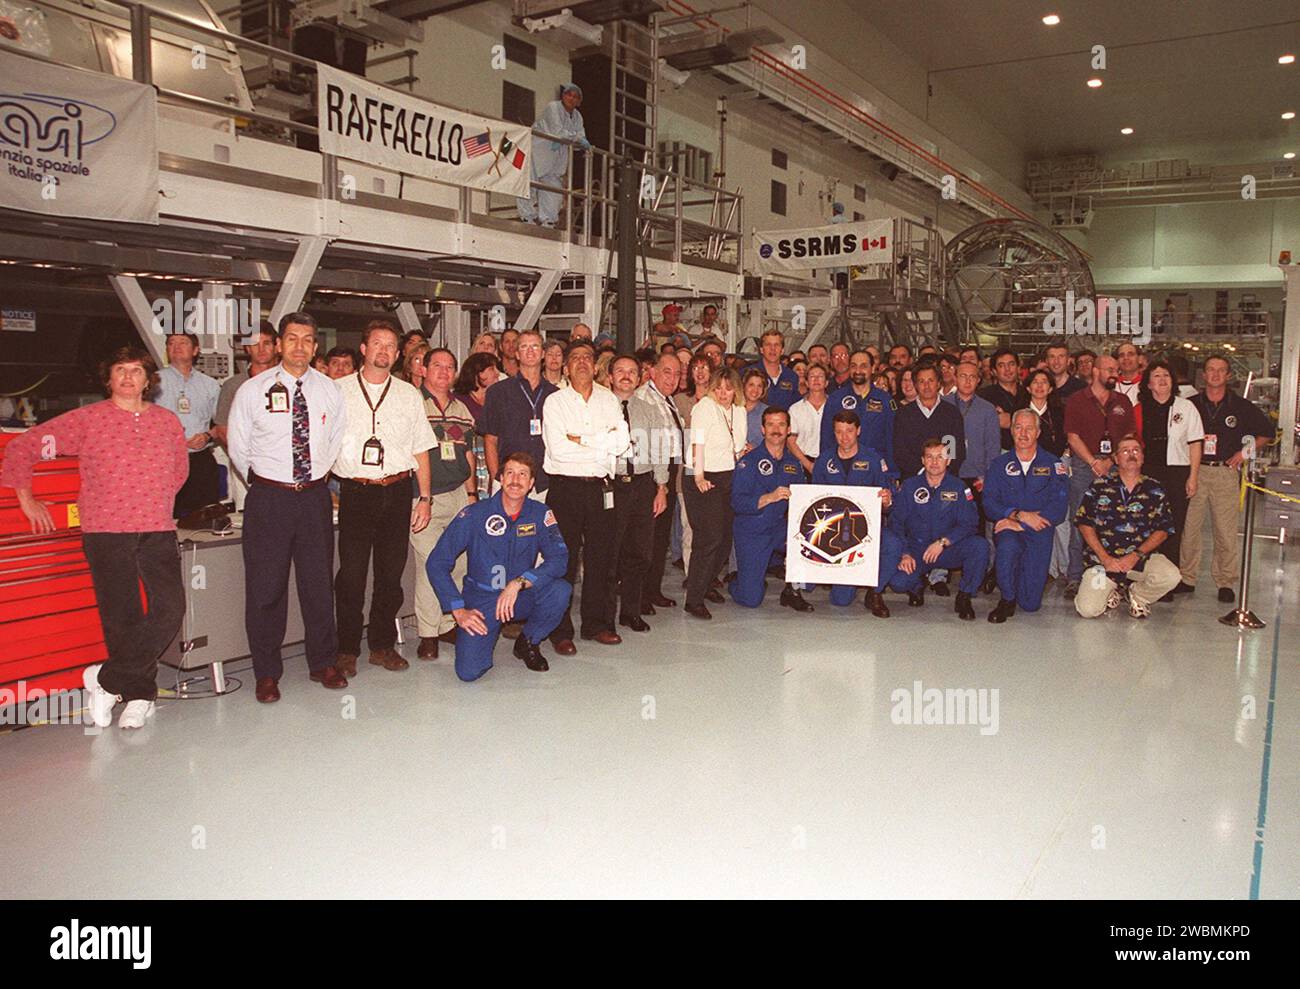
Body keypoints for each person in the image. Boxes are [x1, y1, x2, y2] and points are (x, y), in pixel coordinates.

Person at [4, 345, 188, 730]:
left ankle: (105, 680)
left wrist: (151, 499)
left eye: (136, 370)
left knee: (170, 609)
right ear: (109, 378)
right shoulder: (87, 420)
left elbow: (178, 471)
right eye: (120, 370)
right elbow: (24, 446)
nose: (127, 377)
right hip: (106, 531)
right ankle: (139, 695)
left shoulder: (167, 422)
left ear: (147, 378)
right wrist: (25, 497)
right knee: (122, 618)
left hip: (156, 528)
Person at [227, 312, 348, 703]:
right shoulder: (253, 390)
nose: (299, 346)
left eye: (307, 339)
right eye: (291, 338)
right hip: (269, 498)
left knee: (317, 585)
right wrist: (265, 483)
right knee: (266, 589)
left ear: (316, 347)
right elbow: (238, 446)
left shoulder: (329, 390)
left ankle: (323, 662)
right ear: (279, 344)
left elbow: (333, 441)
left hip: (313, 497)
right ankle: (266, 672)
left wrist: (312, 479)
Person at [331, 319, 436, 677]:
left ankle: (381, 645)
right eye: (377, 344)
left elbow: (421, 449)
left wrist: (424, 497)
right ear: (364, 348)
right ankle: (346, 649)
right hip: (356, 491)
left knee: (390, 576)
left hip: (397, 490)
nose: (384, 351)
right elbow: (322, 445)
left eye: (391, 346)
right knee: (351, 576)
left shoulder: (408, 394)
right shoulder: (338, 391)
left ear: (398, 353)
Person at [426, 453, 570, 679]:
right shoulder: (474, 514)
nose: (516, 480)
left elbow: (559, 560)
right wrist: (458, 609)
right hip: (484, 599)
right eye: (510, 473)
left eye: (523, 475)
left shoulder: (541, 514)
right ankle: (484, 637)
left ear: (531, 484)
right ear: (500, 478)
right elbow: (437, 562)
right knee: (468, 672)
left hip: (520, 595)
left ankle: (528, 641)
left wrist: (519, 583)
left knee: (560, 590)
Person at [541, 340, 630, 652]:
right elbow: (559, 450)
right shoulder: (555, 402)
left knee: (602, 560)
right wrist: (600, 442)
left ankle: (597, 624)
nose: (581, 362)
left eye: (587, 358)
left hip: (602, 487)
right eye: (574, 358)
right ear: (565, 367)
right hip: (565, 488)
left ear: (595, 366)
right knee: (563, 561)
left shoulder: (609, 400)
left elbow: (621, 444)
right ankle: (559, 629)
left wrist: (581, 439)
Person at [1181, 355, 1273, 602]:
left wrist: (1243, 453)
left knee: (1225, 531)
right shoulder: (1190, 405)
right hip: (1196, 471)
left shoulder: (1241, 407)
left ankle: (1225, 581)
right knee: (1190, 528)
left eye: (1220, 370)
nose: (1215, 374)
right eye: (1210, 370)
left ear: (1229, 375)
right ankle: (1187, 577)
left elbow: (1266, 433)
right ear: (1203, 374)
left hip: (1225, 472)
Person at [408, 347, 479, 660]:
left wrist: (473, 495)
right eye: (437, 365)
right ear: (423, 369)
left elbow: (467, 455)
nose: (444, 372)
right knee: (432, 563)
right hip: (423, 497)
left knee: (460, 563)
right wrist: (421, 497)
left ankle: (448, 623)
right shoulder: (412, 403)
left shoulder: (462, 409)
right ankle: (427, 634)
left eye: (450, 367)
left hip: (458, 496)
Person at [1074, 435, 1182, 619]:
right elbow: (1084, 524)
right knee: (1088, 610)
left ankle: (1137, 595)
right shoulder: (1099, 486)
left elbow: (1163, 529)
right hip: (1102, 564)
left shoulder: (1155, 489)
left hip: (1140, 560)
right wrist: (1105, 558)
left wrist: (1136, 555)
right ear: (1116, 458)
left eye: (1135, 450)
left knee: (1172, 576)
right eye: (1125, 451)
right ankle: (1109, 592)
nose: (1131, 454)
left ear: (1142, 457)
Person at [810, 409, 901, 616]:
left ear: (858, 431)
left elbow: (888, 500)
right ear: (833, 433)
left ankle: (875, 591)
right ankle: (844, 579)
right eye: (839, 431)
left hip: (868, 530)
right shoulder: (824, 461)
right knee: (841, 601)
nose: (844, 437)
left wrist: (887, 501)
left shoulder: (874, 459)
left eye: (849, 431)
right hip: (835, 533)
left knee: (893, 544)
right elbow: (814, 501)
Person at [981, 409, 1069, 622]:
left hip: (1039, 531)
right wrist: (1017, 514)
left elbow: (1058, 507)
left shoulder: (1054, 464)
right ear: (1011, 431)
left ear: (1038, 432)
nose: (1023, 433)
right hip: (1008, 528)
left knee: (1030, 605)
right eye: (1018, 427)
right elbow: (989, 503)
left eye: (1029, 428)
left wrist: (1022, 523)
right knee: (1007, 547)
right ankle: (1007, 598)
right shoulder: (999, 465)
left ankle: (1013, 575)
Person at [889, 438, 988, 620]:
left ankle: (965, 596)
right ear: (923, 460)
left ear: (948, 460)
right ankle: (916, 584)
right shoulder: (910, 486)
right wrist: (904, 553)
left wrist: (944, 542)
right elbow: (896, 523)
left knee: (979, 546)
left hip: (947, 548)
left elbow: (970, 523)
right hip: (917, 550)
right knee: (898, 582)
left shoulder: (959, 488)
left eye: (940, 457)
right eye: (930, 457)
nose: (934, 462)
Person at [1063, 353, 1135, 596]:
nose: (1114, 373)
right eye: (1109, 369)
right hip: (1084, 466)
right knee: (1079, 521)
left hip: (1115, 467)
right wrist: (1094, 461)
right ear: (1095, 371)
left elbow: (1128, 438)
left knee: (1114, 522)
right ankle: (1074, 577)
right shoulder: (1076, 400)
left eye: (1116, 368)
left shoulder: (1122, 402)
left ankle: (1114, 576)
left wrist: (1110, 460)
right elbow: (1072, 437)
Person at [607, 355, 670, 633]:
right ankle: (605, 616)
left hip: (643, 485)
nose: (626, 376)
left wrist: (661, 487)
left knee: (640, 553)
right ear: (609, 376)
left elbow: (660, 450)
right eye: (620, 371)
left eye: (632, 371)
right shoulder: (601, 408)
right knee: (609, 554)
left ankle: (630, 612)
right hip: (611, 484)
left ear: (640, 377)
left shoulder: (649, 409)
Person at [729, 407, 813, 611]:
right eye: (771, 424)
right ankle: (737, 580)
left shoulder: (793, 464)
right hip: (752, 530)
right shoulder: (748, 462)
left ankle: (793, 590)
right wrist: (769, 497)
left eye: (781, 424)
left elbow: (802, 501)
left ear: (789, 429)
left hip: (778, 528)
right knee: (751, 599)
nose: (776, 429)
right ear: (763, 429)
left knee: (809, 539)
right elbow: (737, 502)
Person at [682, 368, 746, 618]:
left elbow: (737, 445)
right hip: (701, 474)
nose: (723, 393)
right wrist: (699, 476)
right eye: (718, 388)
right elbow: (697, 442)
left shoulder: (739, 411)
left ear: (736, 390)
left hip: (726, 475)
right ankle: (693, 598)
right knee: (708, 539)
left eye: (728, 388)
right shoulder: (704, 407)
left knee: (723, 539)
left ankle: (707, 584)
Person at [1137, 360, 1203, 596]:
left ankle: (1168, 582)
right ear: (1148, 383)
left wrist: (1193, 477)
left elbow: (1195, 444)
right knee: (1146, 525)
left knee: (1172, 527)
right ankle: (1144, 578)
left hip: (1177, 472)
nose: (1162, 379)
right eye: (1156, 376)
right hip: (1147, 473)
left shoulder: (1186, 407)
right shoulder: (1139, 406)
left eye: (1166, 375)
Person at [479, 329, 558, 499]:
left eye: (535, 346)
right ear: (517, 354)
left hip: (546, 481)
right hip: (509, 481)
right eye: (524, 347)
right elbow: (490, 440)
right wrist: (496, 479)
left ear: (543, 353)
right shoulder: (498, 392)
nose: (530, 351)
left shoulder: (555, 395)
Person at [636, 351, 685, 613]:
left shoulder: (668, 400)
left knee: (660, 539)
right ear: (652, 372)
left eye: (677, 373)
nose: (673, 378)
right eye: (667, 371)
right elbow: (649, 446)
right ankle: (640, 595)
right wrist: (660, 485)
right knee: (646, 540)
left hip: (668, 472)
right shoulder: (644, 398)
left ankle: (653, 589)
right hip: (653, 476)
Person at [156, 332, 221, 517]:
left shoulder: (210, 385)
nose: (176, 346)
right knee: (168, 516)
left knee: (205, 517)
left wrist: (208, 436)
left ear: (195, 350)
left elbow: (222, 425)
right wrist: (178, 443)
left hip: (200, 462)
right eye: (171, 343)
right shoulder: (152, 382)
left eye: (183, 342)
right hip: (165, 461)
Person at [517, 82, 589, 227]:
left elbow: (579, 140)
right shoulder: (553, 107)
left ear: (579, 102)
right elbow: (557, 131)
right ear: (563, 96)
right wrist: (575, 138)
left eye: (575, 97)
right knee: (529, 184)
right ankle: (527, 217)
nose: (571, 98)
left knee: (553, 188)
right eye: (569, 94)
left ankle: (548, 220)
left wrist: (576, 140)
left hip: (557, 159)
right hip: (538, 152)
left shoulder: (577, 117)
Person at [821, 349, 896, 473]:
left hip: (875, 468)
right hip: (842, 468)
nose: (858, 371)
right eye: (853, 366)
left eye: (863, 366)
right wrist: (826, 467)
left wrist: (892, 472)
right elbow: (826, 436)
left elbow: (891, 438)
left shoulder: (885, 400)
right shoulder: (835, 398)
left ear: (873, 368)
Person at [212, 323, 277, 451]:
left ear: (276, 347)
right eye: (255, 344)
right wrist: (245, 457)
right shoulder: (233, 386)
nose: (261, 349)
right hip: (246, 462)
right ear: (247, 348)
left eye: (267, 343)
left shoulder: (287, 383)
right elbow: (222, 429)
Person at [893, 364, 964, 479]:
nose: (926, 386)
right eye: (921, 381)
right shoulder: (904, 414)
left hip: (946, 479)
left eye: (931, 380)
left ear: (939, 383)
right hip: (913, 479)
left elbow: (955, 451)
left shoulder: (951, 413)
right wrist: (923, 474)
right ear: (915, 385)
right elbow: (900, 452)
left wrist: (940, 474)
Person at [452, 352, 501, 499]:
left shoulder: (498, 399)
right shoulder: (459, 401)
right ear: (478, 373)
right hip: (469, 460)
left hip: (492, 458)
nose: (498, 373)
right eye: (492, 369)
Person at [979, 348, 1029, 451]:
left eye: (1011, 364)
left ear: (1019, 368)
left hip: (1028, 450)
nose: (1007, 369)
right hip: (996, 451)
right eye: (1001, 366)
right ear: (994, 371)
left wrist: (1011, 420)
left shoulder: (1029, 393)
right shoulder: (984, 396)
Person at [788, 362, 830, 472]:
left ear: (826, 382)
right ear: (806, 382)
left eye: (820, 376)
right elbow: (791, 442)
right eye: (812, 376)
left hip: (830, 462)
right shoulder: (795, 409)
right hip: (802, 463)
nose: (816, 379)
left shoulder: (835, 407)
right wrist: (809, 465)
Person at [748, 329, 800, 412]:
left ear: (782, 350)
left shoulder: (792, 376)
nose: (773, 349)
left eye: (777, 345)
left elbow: (796, 406)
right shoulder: (747, 373)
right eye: (768, 345)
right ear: (761, 349)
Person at [741, 367, 769, 452]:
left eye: (759, 386)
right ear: (743, 386)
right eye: (751, 385)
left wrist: (755, 447)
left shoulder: (767, 412)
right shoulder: (732, 409)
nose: (755, 390)